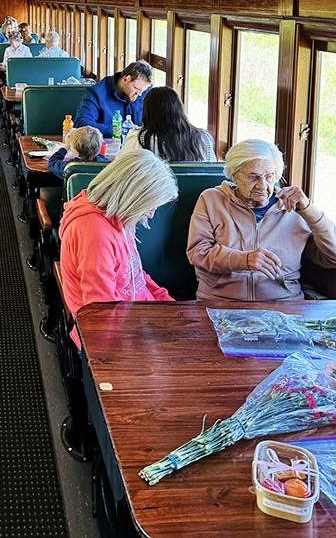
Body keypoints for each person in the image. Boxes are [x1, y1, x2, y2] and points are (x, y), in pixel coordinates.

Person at [187, 139, 336, 302]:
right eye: (253, 177)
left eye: (269, 176)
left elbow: (332, 256)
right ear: (234, 176)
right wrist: (243, 260)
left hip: (284, 305)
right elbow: (198, 252)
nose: (262, 185)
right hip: (222, 302)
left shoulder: (295, 209)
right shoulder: (211, 200)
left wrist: (310, 210)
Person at [59, 149, 178, 347]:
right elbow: (102, 312)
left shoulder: (119, 218)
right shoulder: (93, 232)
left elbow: (135, 275)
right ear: (131, 197)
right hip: (108, 337)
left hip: (136, 318)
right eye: (150, 206)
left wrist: (169, 306)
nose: (150, 215)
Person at [122, 87, 216, 161]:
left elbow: (121, 169)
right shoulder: (204, 138)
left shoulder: (139, 140)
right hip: (197, 186)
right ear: (179, 109)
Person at [74, 60, 152, 135]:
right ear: (126, 79)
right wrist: (120, 130)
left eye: (143, 91)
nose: (139, 94)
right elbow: (81, 124)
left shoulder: (145, 92)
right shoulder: (97, 93)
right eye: (136, 89)